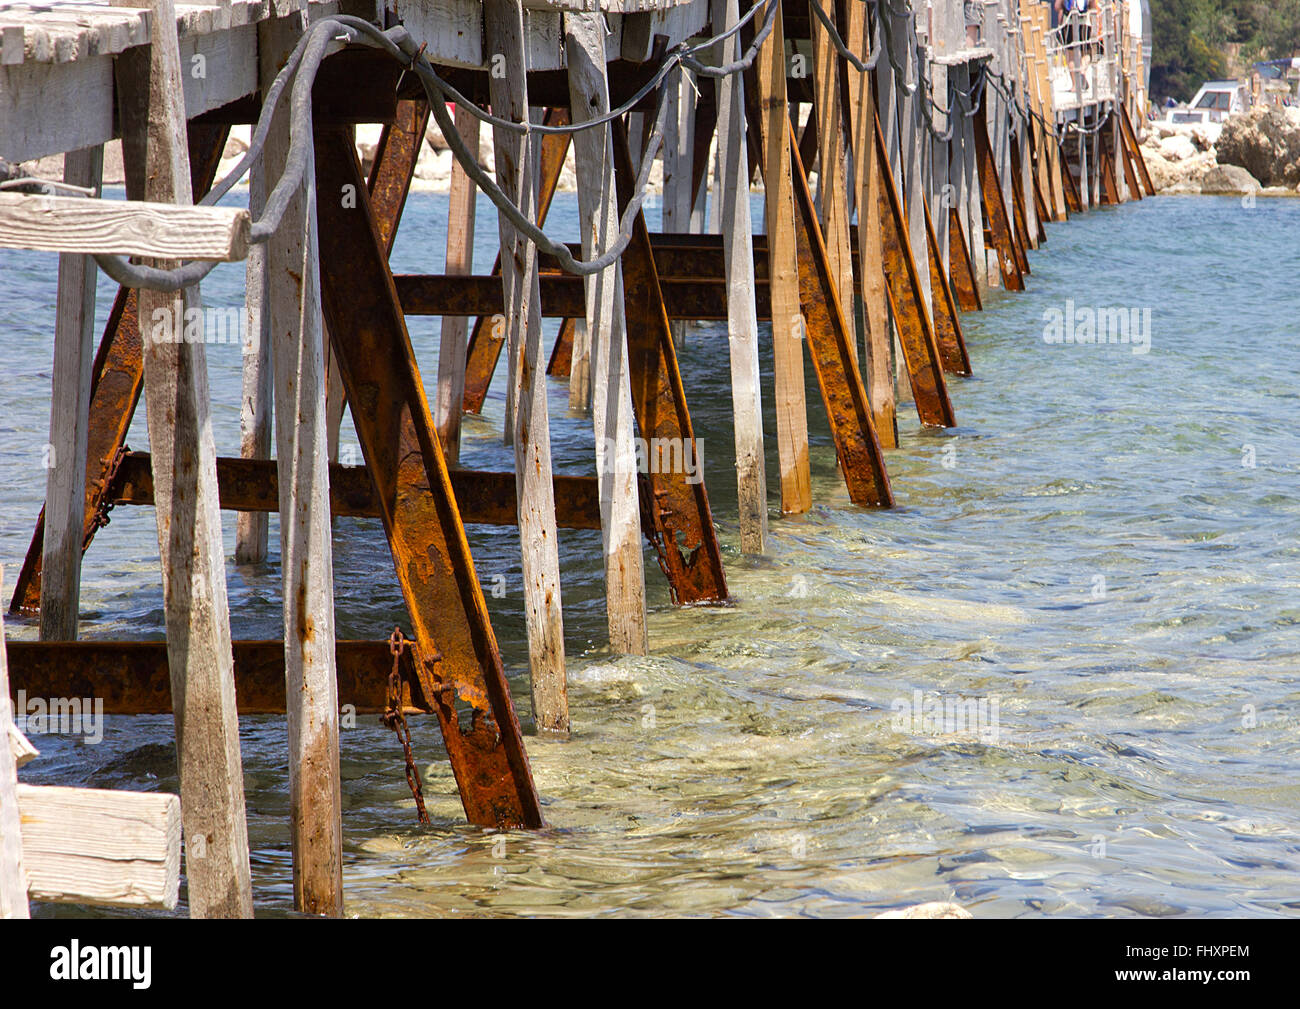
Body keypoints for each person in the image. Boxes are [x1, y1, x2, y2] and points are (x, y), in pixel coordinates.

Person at [1054, 0, 1094, 93]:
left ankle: (1075, 86)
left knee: (1071, 56)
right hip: (1084, 23)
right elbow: (1092, 6)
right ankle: (1082, 71)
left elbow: (1057, 6)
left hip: (1069, 23)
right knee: (1087, 53)